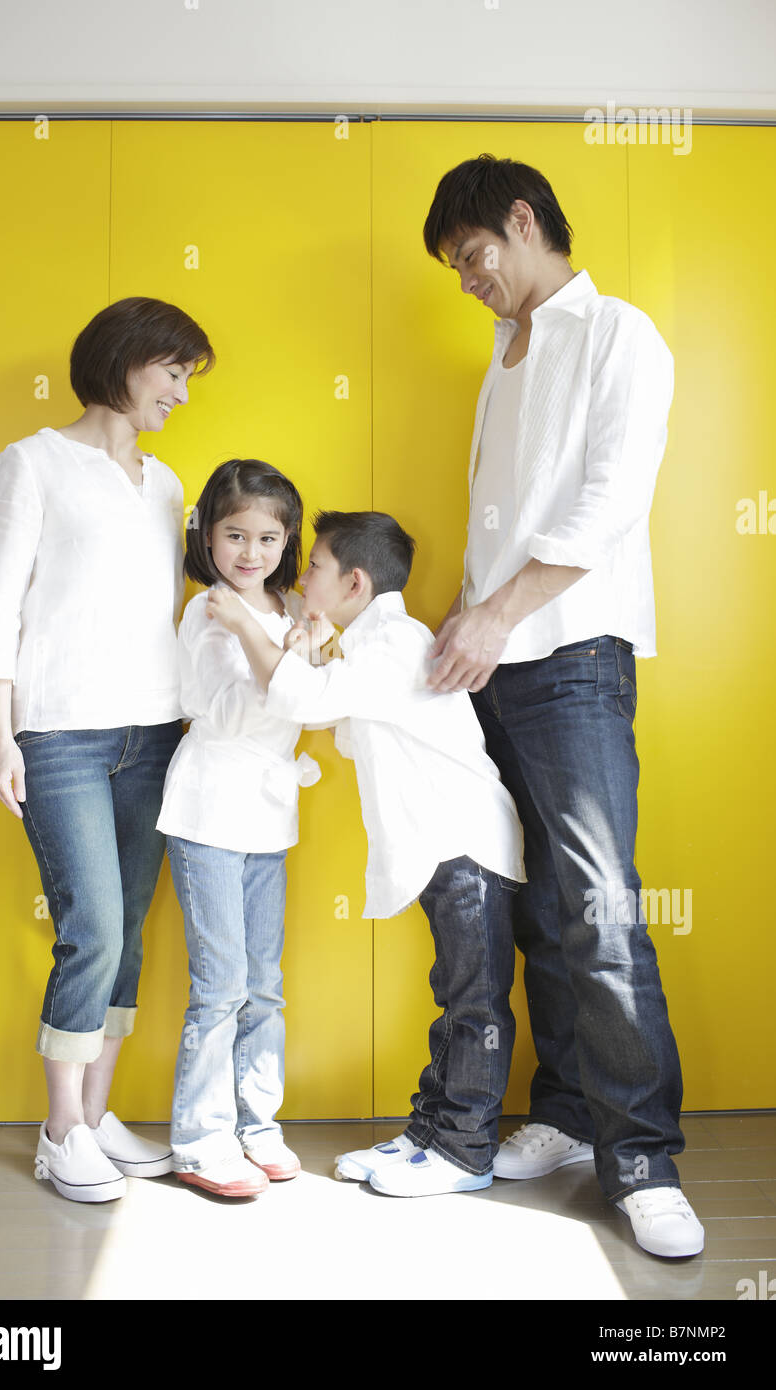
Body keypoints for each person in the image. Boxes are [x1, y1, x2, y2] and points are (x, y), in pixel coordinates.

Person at [421, 153, 704, 1257]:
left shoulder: (615, 332)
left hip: (573, 653)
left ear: (522, 220)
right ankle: (565, 1113)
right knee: (535, 906)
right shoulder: (501, 358)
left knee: (597, 905)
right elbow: (494, 526)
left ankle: (641, 1155)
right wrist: (458, 619)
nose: (464, 280)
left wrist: (495, 618)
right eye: (453, 266)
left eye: (470, 254)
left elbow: (606, 503)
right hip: (496, 661)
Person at [0, 296, 214, 1202]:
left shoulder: (168, 484)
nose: (183, 394)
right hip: (60, 735)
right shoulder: (31, 462)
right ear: (126, 359)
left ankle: (99, 1117)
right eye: (175, 372)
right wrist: (1, 736)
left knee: (131, 939)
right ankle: (59, 1131)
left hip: (154, 734)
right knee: (93, 929)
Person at [206, 510, 526, 1197]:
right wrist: (322, 651)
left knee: (473, 1004)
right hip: (446, 844)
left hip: (463, 842)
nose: (301, 575)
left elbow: (302, 700)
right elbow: (341, 725)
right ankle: (432, 1133)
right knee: (456, 995)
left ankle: (465, 1150)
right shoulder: (375, 645)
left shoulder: (397, 642)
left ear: (353, 581)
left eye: (312, 566)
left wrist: (241, 624)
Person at [157, 458, 321, 1200]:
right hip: (208, 810)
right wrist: (286, 669)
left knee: (265, 986)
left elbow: (312, 707)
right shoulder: (207, 611)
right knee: (220, 986)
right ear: (208, 537)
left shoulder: (288, 614)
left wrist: (290, 659)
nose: (250, 553)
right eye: (234, 535)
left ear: (288, 542)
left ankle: (258, 1123)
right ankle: (199, 1138)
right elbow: (217, 713)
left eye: (268, 537)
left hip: (268, 817)